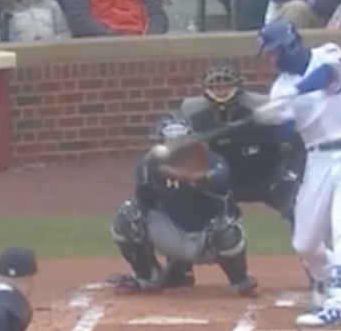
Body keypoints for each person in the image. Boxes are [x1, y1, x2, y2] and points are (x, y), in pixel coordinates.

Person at [256, 21, 341, 327]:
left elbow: (329, 77)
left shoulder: (328, 54)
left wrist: (296, 93)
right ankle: (324, 277)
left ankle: (339, 301)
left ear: (291, 45)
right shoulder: (279, 89)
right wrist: (269, 120)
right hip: (319, 159)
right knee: (305, 243)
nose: (273, 59)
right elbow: (287, 134)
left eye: (275, 52)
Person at [178, 62, 306, 287]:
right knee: (185, 202)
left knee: (303, 207)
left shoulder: (259, 110)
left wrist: (291, 174)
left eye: (225, 85)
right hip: (222, 181)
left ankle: (318, 271)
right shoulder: (193, 116)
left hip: (267, 176)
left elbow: (295, 143)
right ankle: (178, 269)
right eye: (215, 87)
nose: (221, 91)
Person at [107, 112, 261, 298]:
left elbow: (220, 185)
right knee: (128, 212)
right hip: (171, 231)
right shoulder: (148, 166)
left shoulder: (213, 162)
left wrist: (190, 176)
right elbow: (146, 204)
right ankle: (148, 277)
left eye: (179, 142)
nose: (174, 148)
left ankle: (241, 280)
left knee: (225, 227)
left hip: (207, 237)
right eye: (169, 142)